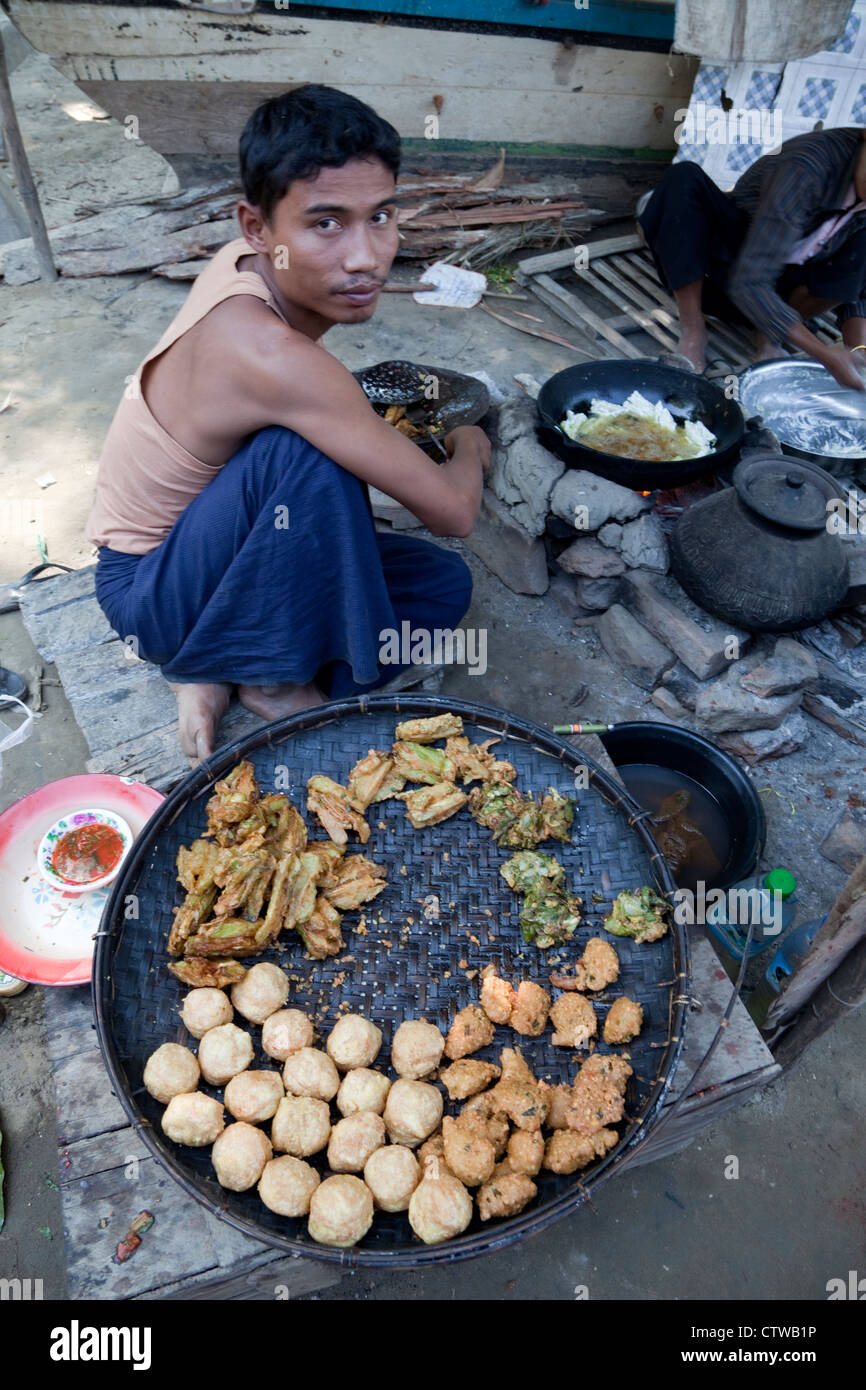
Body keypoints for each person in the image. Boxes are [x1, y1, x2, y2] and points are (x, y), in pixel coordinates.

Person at [86, 85, 490, 765]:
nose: (365, 256)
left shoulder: (243, 268)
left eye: (381, 216)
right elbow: (454, 512)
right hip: (150, 588)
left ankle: (216, 662)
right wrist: (471, 443)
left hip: (216, 552)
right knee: (305, 454)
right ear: (256, 227)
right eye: (325, 223)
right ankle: (269, 681)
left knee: (442, 589)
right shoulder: (274, 357)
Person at [639, 125, 866, 387]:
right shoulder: (807, 167)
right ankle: (693, 330)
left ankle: (769, 336)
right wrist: (824, 354)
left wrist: (858, 349)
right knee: (683, 178)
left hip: (787, 301)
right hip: (725, 274)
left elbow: (856, 284)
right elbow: (748, 282)